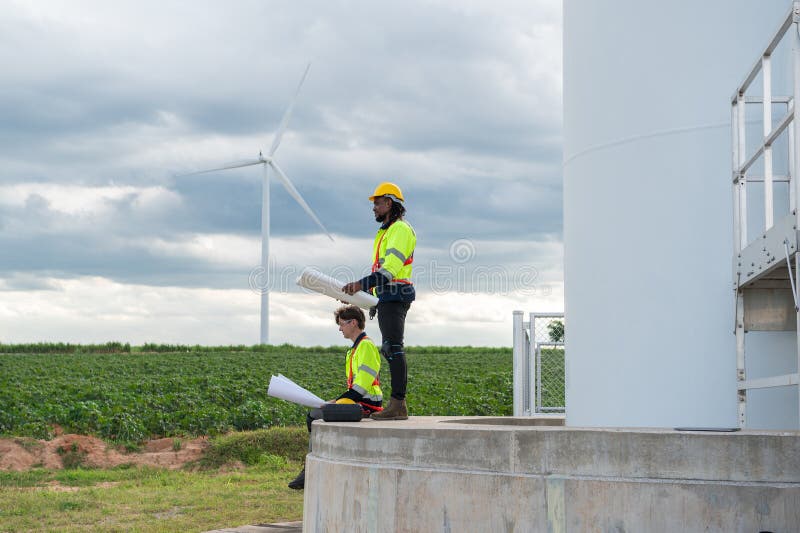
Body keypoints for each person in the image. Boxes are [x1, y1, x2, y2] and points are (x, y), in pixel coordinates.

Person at [342, 182, 416, 421]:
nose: (373, 207)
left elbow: (391, 269)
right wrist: (371, 297)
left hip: (397, 293)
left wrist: (361, 284)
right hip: (388, 295)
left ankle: (398, 405)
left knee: (393, 348)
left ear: (390, 203)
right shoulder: (385, 231)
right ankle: (397, 405)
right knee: (390, 348)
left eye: (377, 203)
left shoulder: (400, 230)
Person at [288, 305, 383, 490]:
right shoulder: (356, 348)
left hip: (367, 404)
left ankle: (309, 469)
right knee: (317, 412)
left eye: (341, 324)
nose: (340, 328)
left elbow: (361, 388)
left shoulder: (366, 346)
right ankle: (311, 466)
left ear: (353, 323)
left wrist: (337, 402)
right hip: (359, 401)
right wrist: (337, 402)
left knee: (315, 414)